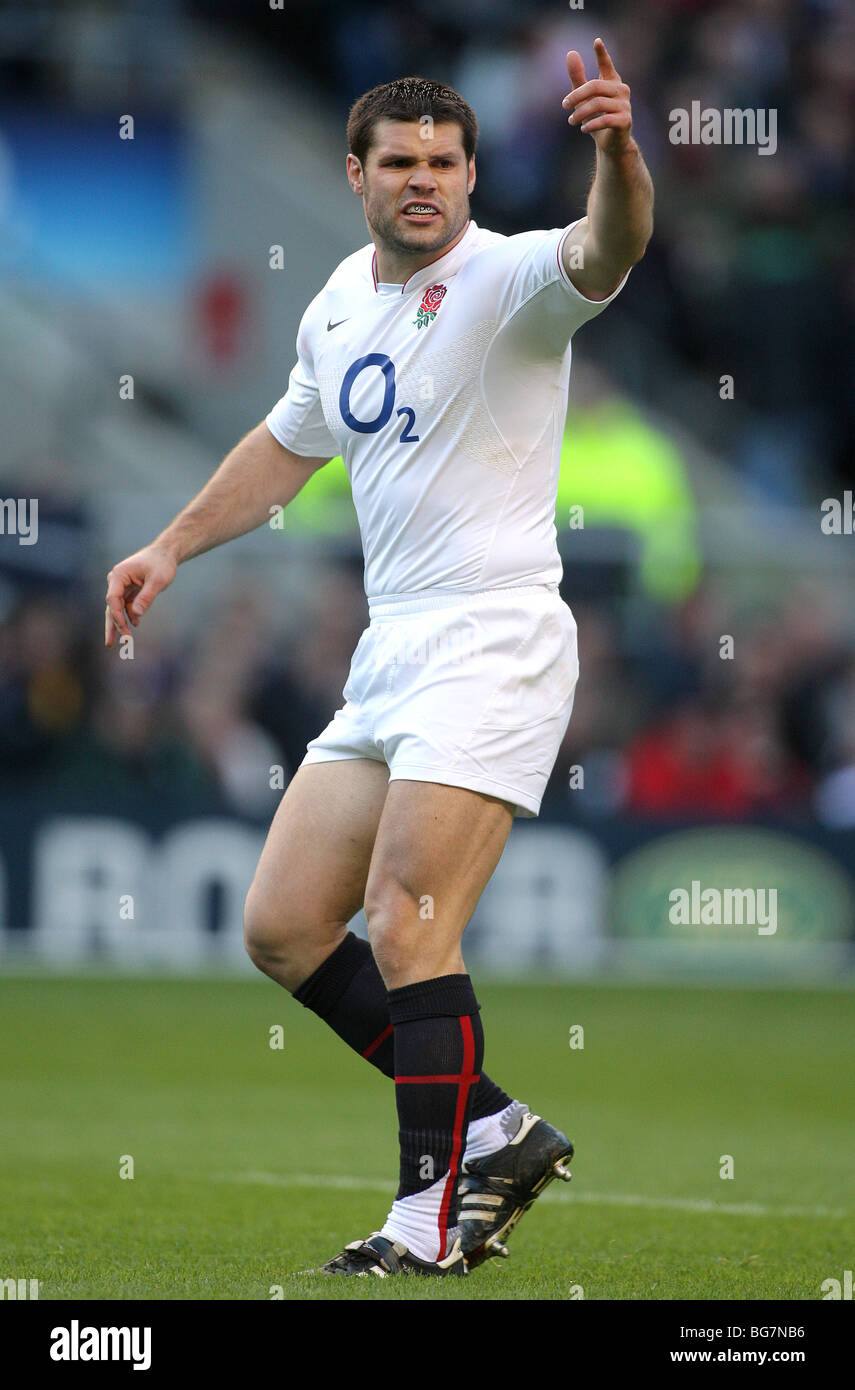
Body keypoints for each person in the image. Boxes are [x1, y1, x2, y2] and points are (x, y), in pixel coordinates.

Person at [105, 39, 653, 1278]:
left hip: (494, 632)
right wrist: (172, 545)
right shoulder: (338, 300)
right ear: (355, 173)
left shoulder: (515, 279)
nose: (426, 182)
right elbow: (288, 443)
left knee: (409, 927)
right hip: (392, 646)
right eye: (400, 162)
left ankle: (426, 1218)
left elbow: (608, 248)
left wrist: (619, 152)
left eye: (447, 164)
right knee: (285, 925)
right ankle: (498, 1128)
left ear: (471, 176)